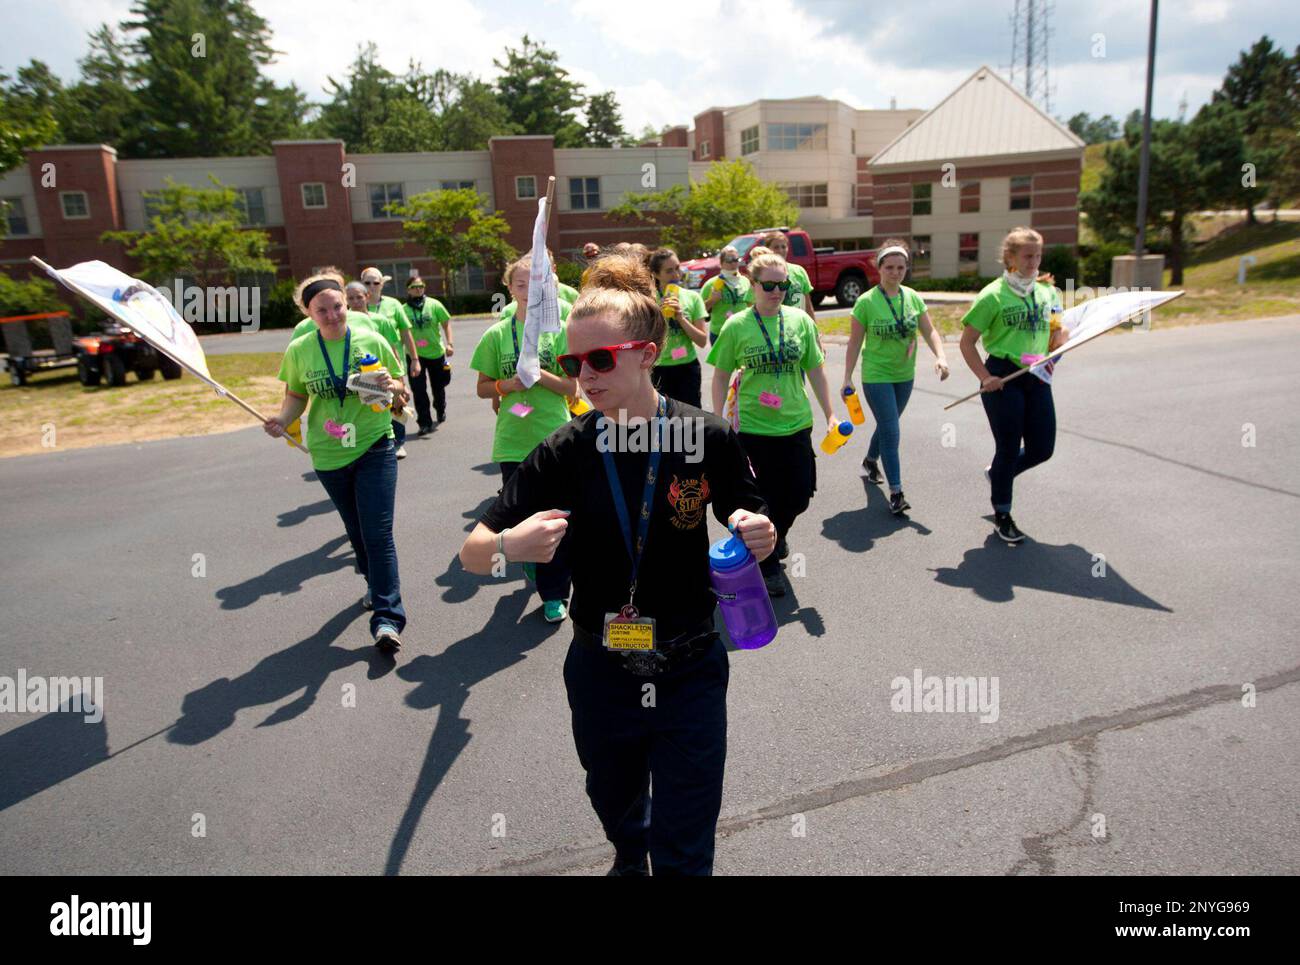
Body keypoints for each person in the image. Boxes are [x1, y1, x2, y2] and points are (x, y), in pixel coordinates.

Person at [459, 253, 776, 876]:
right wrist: (506, 548)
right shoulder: (566, 450)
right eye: (573, 364)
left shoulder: (704, 435)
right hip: (602, 668)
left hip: (690, 664)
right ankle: (629, 850)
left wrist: (753, 530)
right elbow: (472, 552)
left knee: (686, 838)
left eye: (600, 360)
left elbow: (750, 512)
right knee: (613, 797)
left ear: (648, 353)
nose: (584, 377)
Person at [264, 271, 409, 653]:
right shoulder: (300, 350)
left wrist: (388, 386)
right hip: (328, 455)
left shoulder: (370, 338)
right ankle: (373, 582)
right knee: (357, 530)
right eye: (322, 310)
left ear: (347, 304)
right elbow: (296, 394)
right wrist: (282, 419)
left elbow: (399, 387)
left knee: (378, 533)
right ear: (309, 314)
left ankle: (387, 618)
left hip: (375, 445)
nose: (332, 315)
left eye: (338, 307)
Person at [708, 250, 838, 597]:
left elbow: (815, 369)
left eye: (783, 285)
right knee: (759, 498)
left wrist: (830, 413)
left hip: (796, 422)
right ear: (753, 284)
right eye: (768, 285)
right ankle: (766, 566)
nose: (776, 291)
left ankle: (773, 534)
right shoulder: (737, 326)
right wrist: (719, 419)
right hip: (752, 427)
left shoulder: (800, 321)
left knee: (798, 493)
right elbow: (720, 375)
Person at [470, 254, 577, 623]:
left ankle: (554, 593)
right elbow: (483, 388)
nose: (529, 290)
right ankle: (532, 560)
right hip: (513, 441)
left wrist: (539, 375)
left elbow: (571, 386)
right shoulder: (497, 334)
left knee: (557, 518)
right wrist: (509, 384)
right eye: (521, 283)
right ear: (509, 288)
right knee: (520, 516)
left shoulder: (559, 329)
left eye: (536, 283)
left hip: (556, 437)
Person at [959, 227, 1068, 543]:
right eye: (1027, 255)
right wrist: (984, 377)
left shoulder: (1049, 292)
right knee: (1007, 447)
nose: (1034, 262)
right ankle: (1002, 513)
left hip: (1037, 374)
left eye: (1038, 255)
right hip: (1002, 377)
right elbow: (967, 343)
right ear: (1010, 257)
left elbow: (1057, 332)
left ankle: (998, 475)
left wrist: (1059, 346)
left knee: (1042, 448)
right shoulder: (993, 295)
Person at [843, 239, 950, 515]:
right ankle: (896, 492)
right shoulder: (866, 302)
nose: (895, 272)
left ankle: (870, 460)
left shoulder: (912, 297)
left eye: (900, 267)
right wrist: (847, 377)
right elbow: (854, 343)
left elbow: (930, 331)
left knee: (887, 425)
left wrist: (941, 356)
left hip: (904, 375)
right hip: (876, 375)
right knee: (892, 430)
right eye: (889, 267)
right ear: (879, 268)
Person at [348, 280, 418, 459]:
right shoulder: (344, 324)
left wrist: (400, 381)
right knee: (369, 408)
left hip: (385, 372)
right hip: (359, 374)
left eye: (359, 297)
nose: (355, 301)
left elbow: (393, 348)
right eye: (351, 298)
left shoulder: (380, 321)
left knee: (395, 405)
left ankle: (398, 443)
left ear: (367, 297)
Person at [647, 247, 709, 408]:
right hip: (659, 368)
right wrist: (657, 313)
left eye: (677, 268)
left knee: (691, 417)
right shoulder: (648, 300)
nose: (676, 275)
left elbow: (702, 340)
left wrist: (681, 318)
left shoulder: (692, 297)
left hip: (687, 367)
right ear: (655, 274)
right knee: (662, 418)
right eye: (669, 271)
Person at [402, 276, 454, 433]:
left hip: (436, 353)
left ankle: (440, 407)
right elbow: (400, 333)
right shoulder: (403, 310)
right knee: (418, 390)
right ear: (408, 289)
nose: (418, 289)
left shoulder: (434, 304)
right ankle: (424, 422)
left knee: (438, 386)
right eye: (414, 286)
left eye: (421, 286)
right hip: (414, 355)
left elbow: (446, 324)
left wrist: (449, 343)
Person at [756, 231, 816, 322]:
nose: (780, 250)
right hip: (774, 326)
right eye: (776, 247)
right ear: (767, 249)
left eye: (783, 246)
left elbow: (808, 305)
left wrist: (814, 328)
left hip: (798, 325)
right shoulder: (762, 273)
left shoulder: (799, 271)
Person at [702, 245, 753, 346]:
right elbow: (699, 312)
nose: (733, 263)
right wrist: (712, 300)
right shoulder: (711, 283)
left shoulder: (745, 281)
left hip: (742, 331)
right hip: (720, 333)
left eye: (736, 259)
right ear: (721, 263)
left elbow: (751, 306)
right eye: (729, 260)